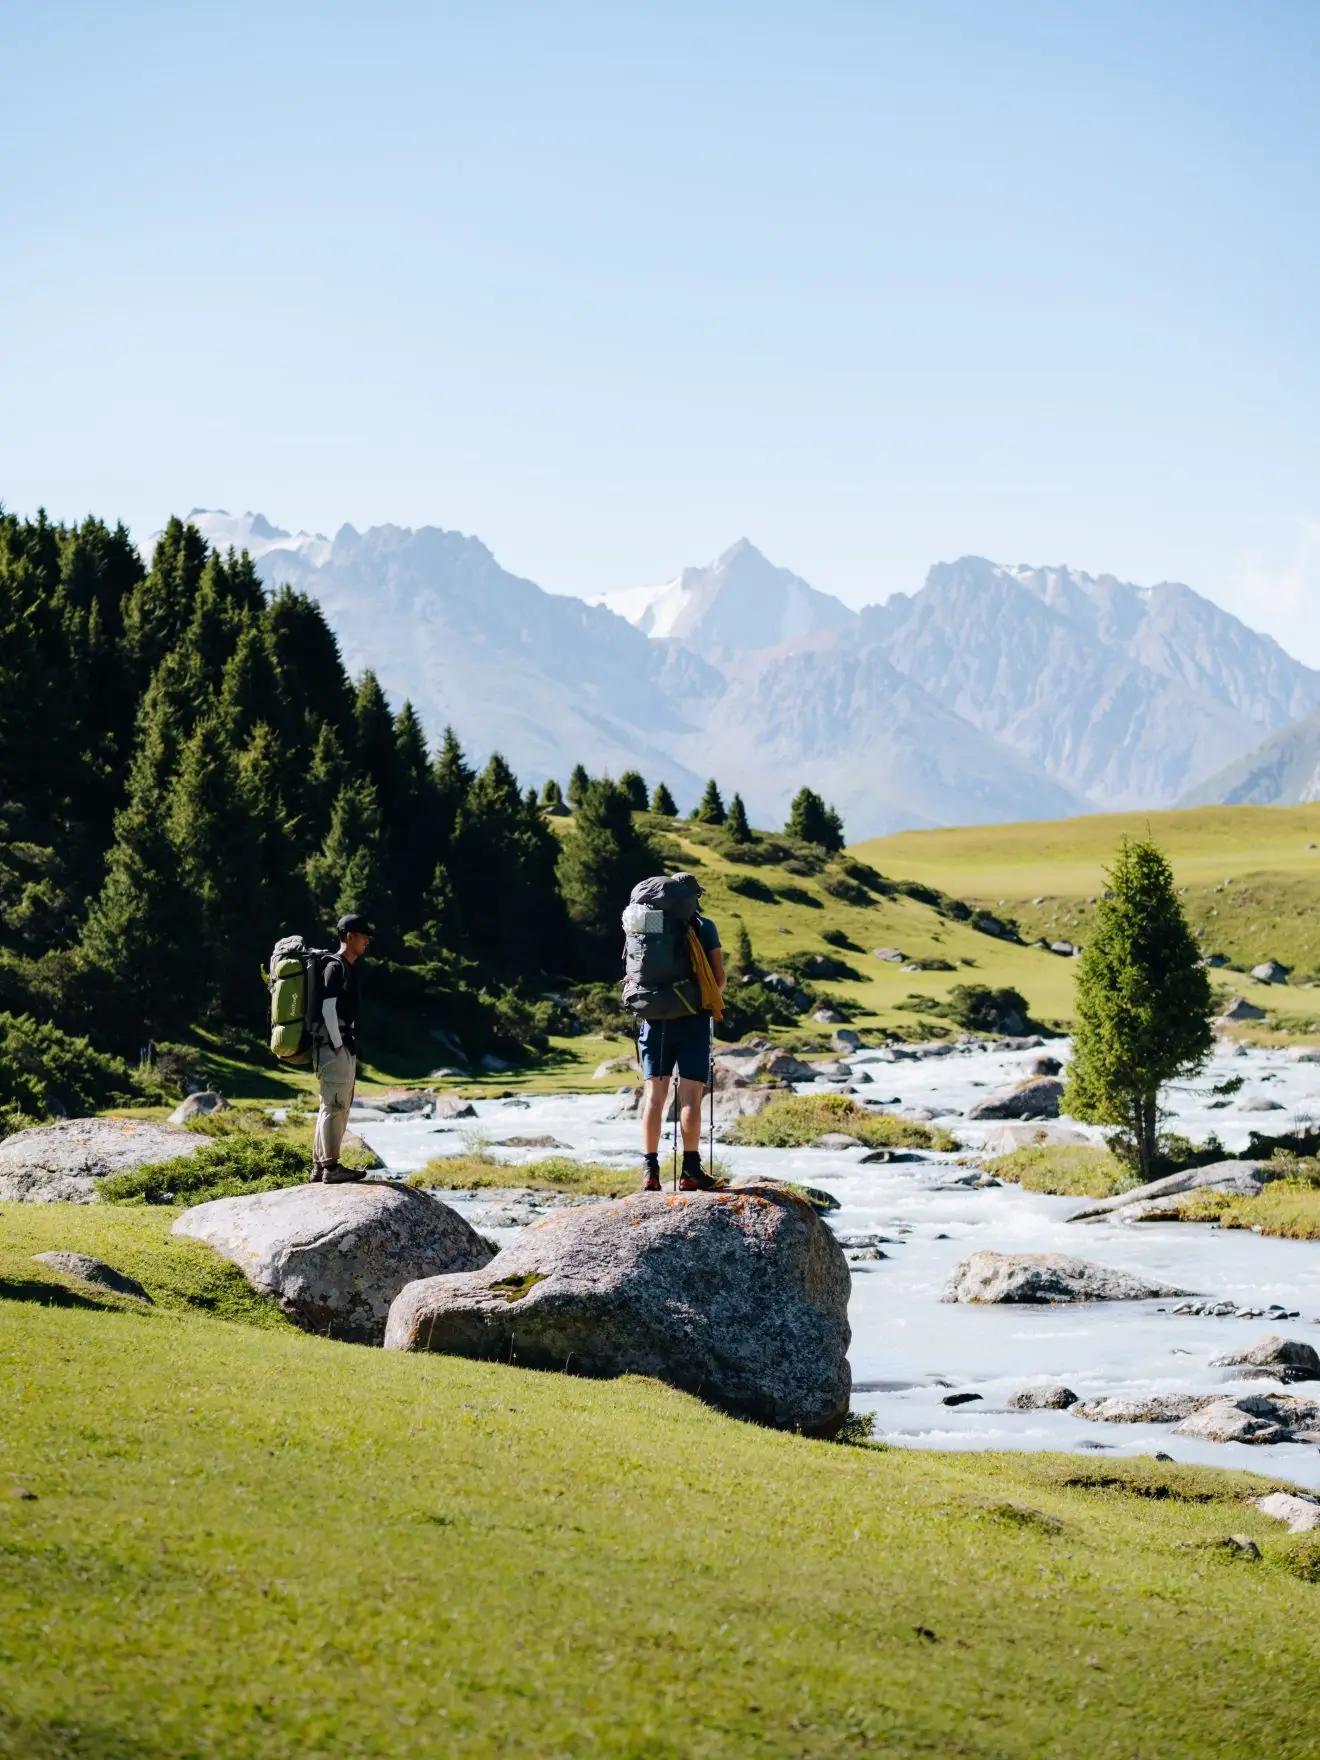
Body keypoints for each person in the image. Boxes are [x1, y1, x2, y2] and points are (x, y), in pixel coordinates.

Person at [638, 898, 726, 1192]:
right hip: (693, 1020)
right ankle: (690, 1171)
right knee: (690, 1096)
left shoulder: (649, 922)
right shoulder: (704, 926)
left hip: (655, 1019)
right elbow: (718, 981)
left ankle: (649, 1172)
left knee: (654, 1097)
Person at [311, 912, 374, 1184]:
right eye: (364, 936)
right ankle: (331, 1167)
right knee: (334, 1105)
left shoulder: (349, 967)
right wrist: (337, 1043)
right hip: (333, 1045)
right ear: (349, 936)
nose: (367, 941)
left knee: (334, 1105)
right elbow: (327, 1008)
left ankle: (319, 1167)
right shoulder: (335, 967)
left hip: (342, 1044)